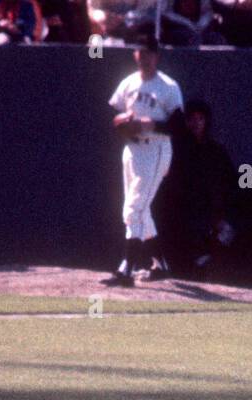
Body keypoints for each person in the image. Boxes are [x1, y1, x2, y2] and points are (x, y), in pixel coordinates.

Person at [103, 37, 184, 286]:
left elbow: (179, 126)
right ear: (134, 55)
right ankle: (160, 265)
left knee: (133, 209)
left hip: (156, 150)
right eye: (140, 51)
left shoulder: (168, 86)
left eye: (149, 52)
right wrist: (123, 121)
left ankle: (126, 268)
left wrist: (150, 124)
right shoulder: (128, 82)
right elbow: (114, 113)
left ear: (157, 56)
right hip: (132, 150)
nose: (144, 56)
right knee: (141, 211)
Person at [154, 98, 237, 277]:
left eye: (200, 119)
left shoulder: (216, 150)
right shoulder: (174, 148)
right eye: (192, 119)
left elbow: (236, 177)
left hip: (207, 214)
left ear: (206, 121)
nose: (196, 123)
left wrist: (248, 185)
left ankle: (202, 258)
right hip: (177, 213)